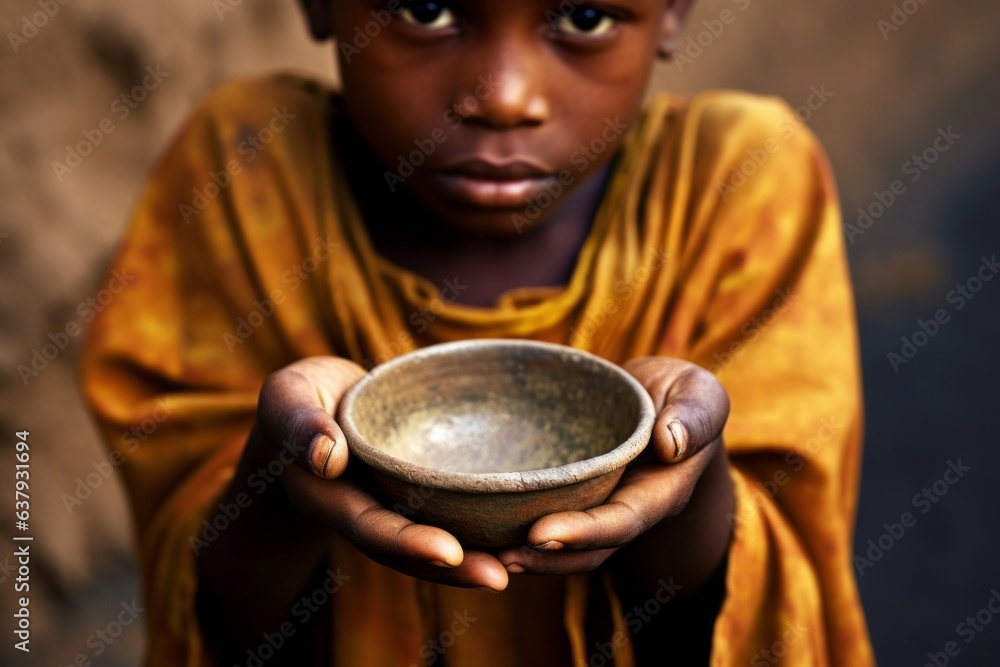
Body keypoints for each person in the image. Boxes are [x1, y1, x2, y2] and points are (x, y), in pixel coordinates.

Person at [81, 0, 875, 665]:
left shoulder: (741, 184)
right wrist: (278, 476)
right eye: (427, 9)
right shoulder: (245, 174)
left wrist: (691, 487)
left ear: (672, 11)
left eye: (586, 16)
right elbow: (213, 615)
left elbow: (776, 610)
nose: (503, 96)